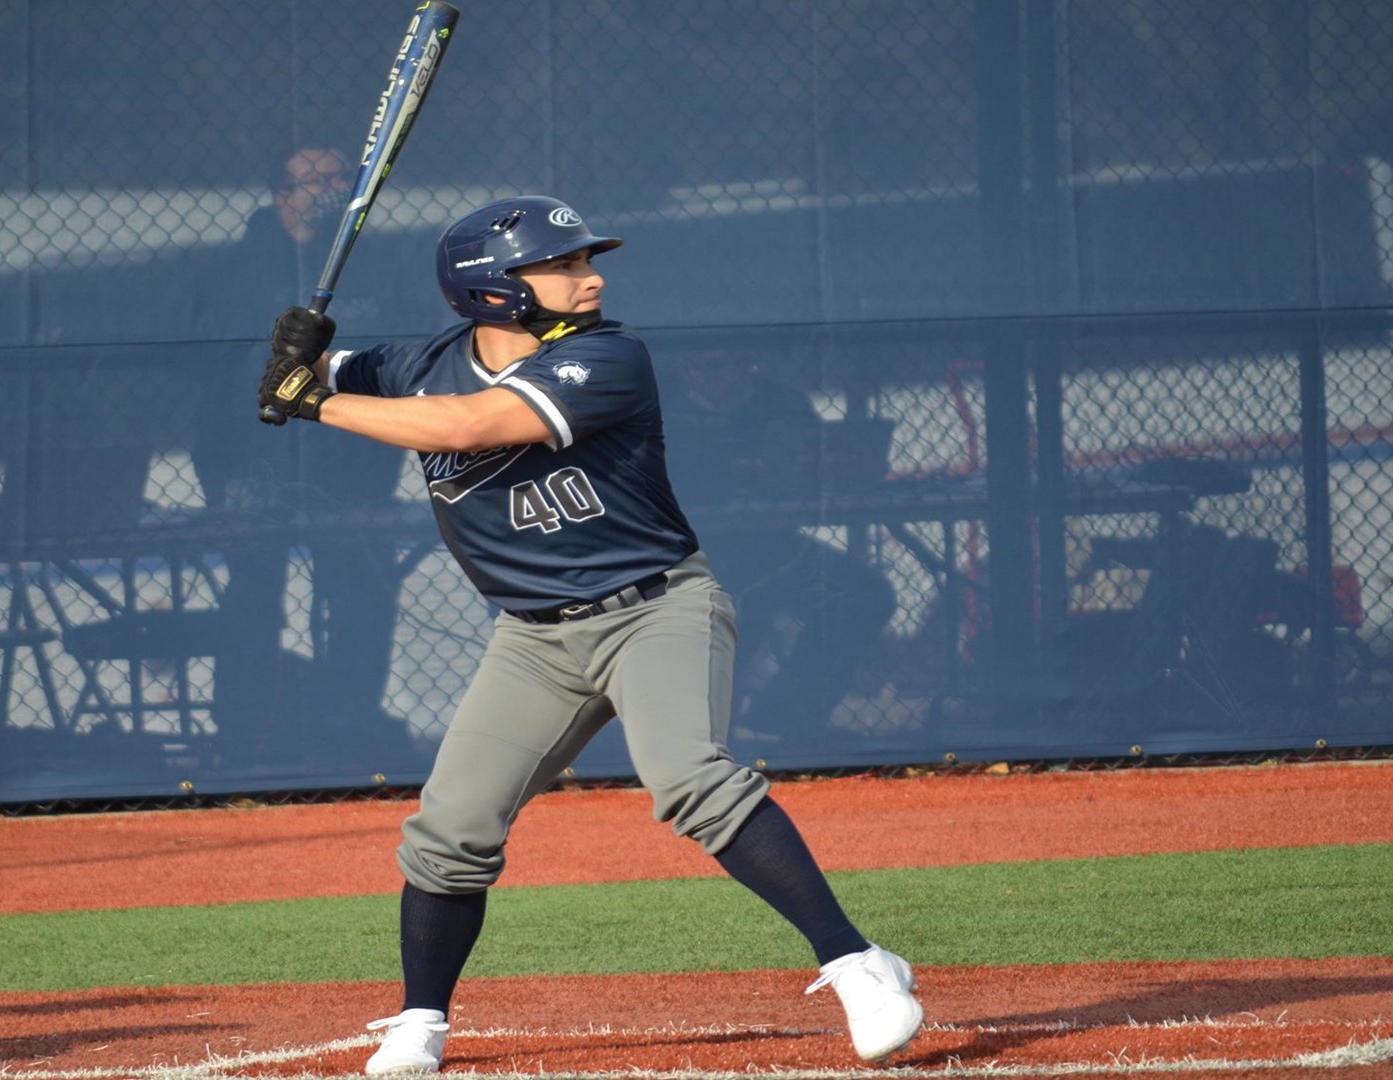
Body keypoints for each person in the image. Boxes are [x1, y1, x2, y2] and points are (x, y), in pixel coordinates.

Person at [254, 196, 924, 1073]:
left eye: (584, 260)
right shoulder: (420, 361)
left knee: (691, 779)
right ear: (493, 291)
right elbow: (335, 367)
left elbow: (468, 424)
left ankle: (857, 963)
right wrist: (303, 355)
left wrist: (316, 404)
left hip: (655, 608)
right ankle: (421, 1021)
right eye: (563, 265)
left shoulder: (608, 356)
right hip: (533, 638)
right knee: (450, 829)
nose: (591, 275)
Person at [194, 148, 415, 767]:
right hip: (254, 462)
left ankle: (349, 728)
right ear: (278, 193)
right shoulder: (234, 269)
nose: (322, 191)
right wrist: (218, 474)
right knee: (253, 595)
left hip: (353, 466)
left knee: (362, 593)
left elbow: (400, 363)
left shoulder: (383, 263)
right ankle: (243, 738)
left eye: (336, 179)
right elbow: (206, 384)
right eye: (307, 181)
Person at [659, 348, 898, 743]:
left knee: (865, 592)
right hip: (691, 554)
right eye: (713, 365)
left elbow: (815, 464)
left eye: (739, 365)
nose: (728, 377)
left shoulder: (783, 402)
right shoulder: (658, 407)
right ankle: (711, 740)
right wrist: (722, 469)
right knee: (736, 608)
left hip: (779, 550)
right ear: (685, 367)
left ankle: (787, 715)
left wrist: (829, 470)